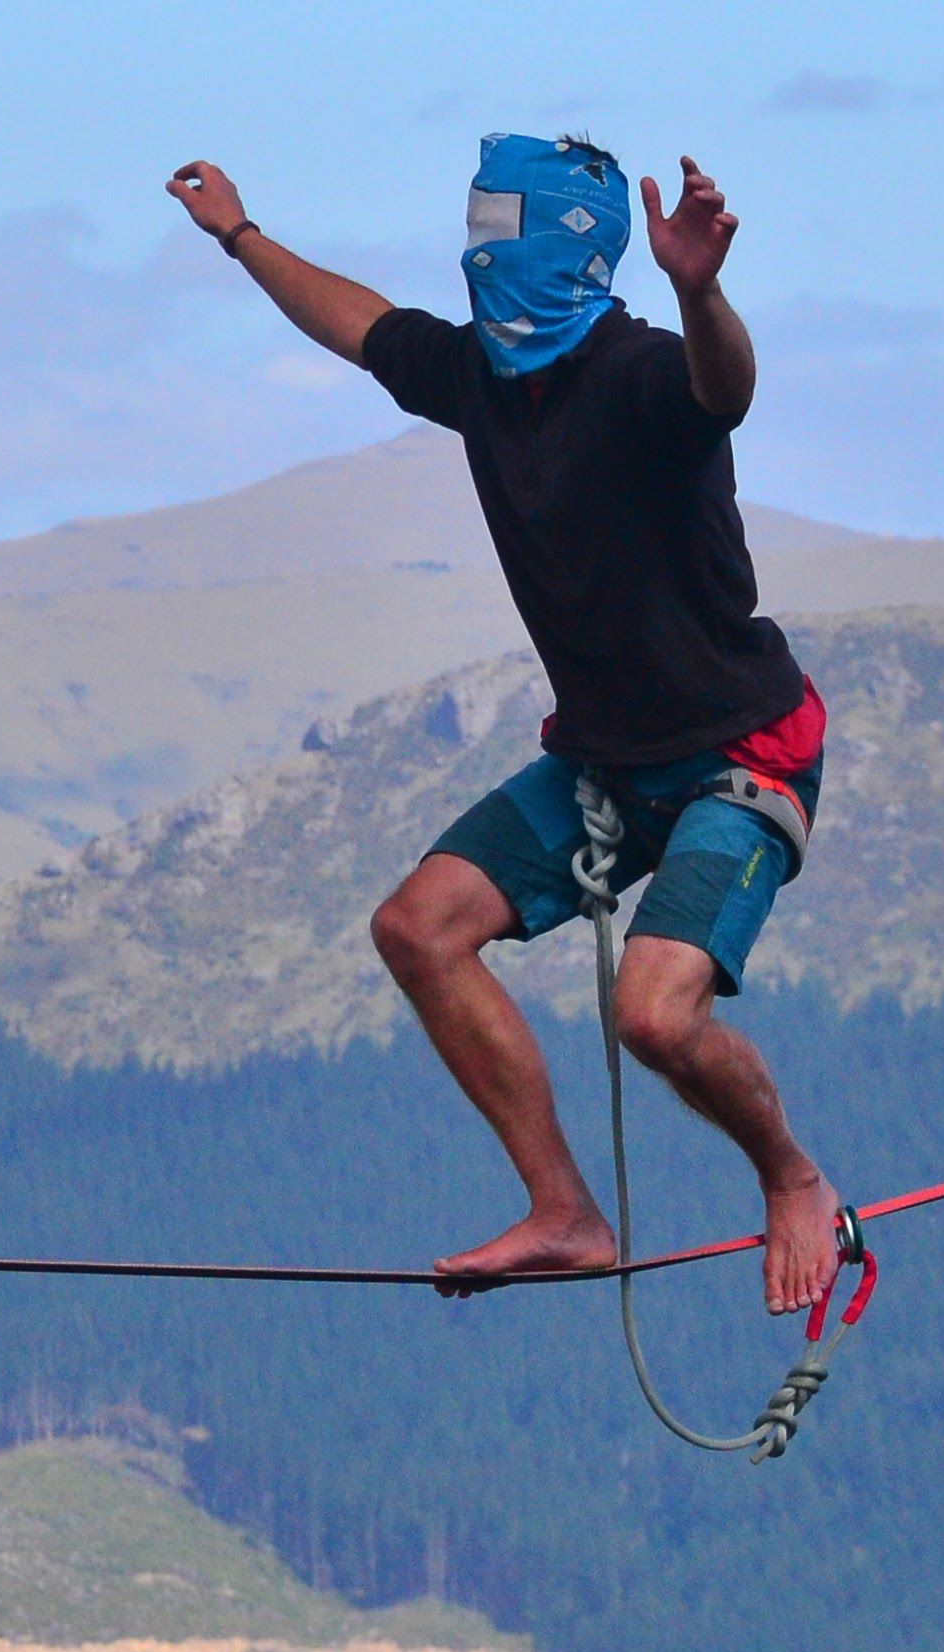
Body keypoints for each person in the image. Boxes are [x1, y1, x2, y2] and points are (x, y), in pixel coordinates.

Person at [167, 136, 846, 1320]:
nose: (480, 256)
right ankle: (566, 1215)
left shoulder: (645, 373)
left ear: (568, 246)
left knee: (651, 1013)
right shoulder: (480, 375)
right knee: (417, 929)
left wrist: (701, 290)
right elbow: (361, 323)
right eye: (473, 231)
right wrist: (240, 234)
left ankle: (793, 1178)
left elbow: (725, 389)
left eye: (502, 232)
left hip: (739, 757)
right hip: (601, 760)